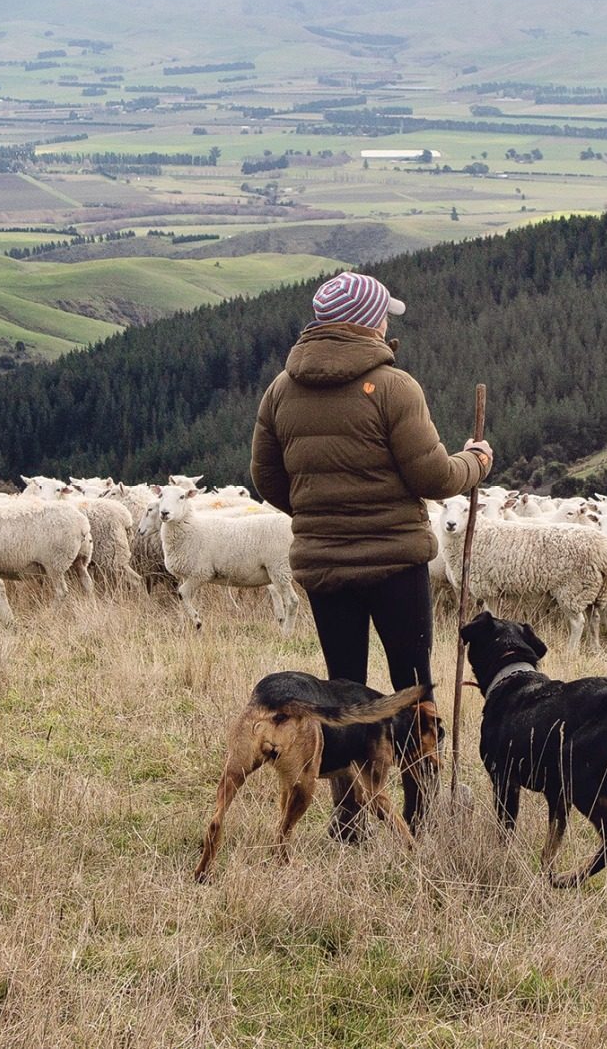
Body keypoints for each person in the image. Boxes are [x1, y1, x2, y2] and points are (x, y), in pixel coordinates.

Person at [250, 270, 488, 828]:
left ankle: (350, 816)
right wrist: (474, 464)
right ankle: (421, 807)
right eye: (383, 315)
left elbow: (267, 477)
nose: (386, 323)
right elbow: (432, 474)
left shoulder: (281, 390)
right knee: (412, 685)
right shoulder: (393, 386)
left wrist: (319, 517)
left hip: (323, 565)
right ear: (365, 322)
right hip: (395, 564)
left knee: (341, 692)